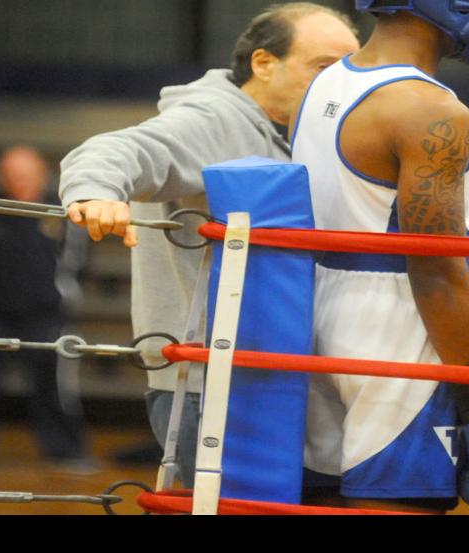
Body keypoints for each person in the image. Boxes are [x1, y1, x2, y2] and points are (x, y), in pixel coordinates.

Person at [58, 3, 360, 486]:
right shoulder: (213, 118)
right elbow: (120, 148)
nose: (338, 84)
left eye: (348, 69)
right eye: (323, 67)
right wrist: (95, 190)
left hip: (263, 377)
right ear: (264, 63)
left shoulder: (300, 135)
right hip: (208, 383)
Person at [289, 0, 469, 513]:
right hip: (402, 325)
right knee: (398, 500)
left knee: (324, 496)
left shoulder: (325, 83)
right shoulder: (430, 109)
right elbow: (435, 266)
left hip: (318, 309)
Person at [0, 147, 91, 473]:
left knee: (57, 391)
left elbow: (77, 264)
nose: (19, 180)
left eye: (26, 172)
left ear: (42, 174)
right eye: (12, 173)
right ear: (2, 177)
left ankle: (67, 452)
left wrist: (58, 298)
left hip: (49, 317)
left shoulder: (64, 216)